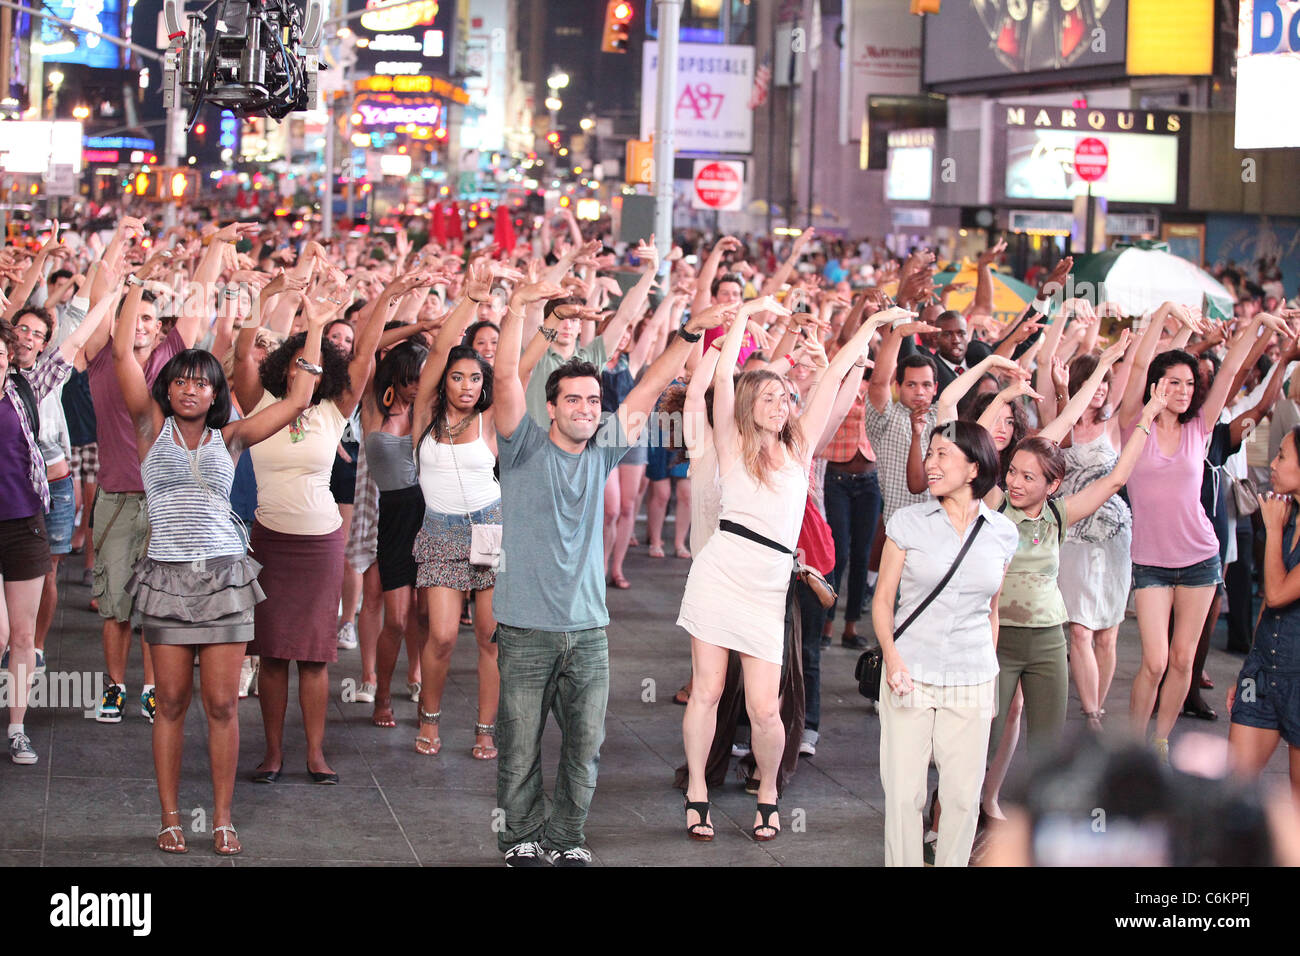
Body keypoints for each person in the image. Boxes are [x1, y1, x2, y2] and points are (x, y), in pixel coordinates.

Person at [490, 261, 725, 867]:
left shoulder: (601, 452)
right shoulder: (521, 447)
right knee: (518, 748)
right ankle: (519, 836)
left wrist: (690, 332)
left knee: (585, 747)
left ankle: (566, 839)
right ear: (551, 406)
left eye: (594, 400)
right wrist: (521, 310)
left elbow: (647, 389)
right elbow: (504, 382)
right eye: (574, 399)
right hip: (523, 629)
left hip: (589, 631)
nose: (587, 408)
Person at [113, 289, 327, 854]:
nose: (190, 388)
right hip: (167, 580)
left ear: (216, 393)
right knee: (173, 704)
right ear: (168, 386)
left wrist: (320, 323)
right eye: (181, 379)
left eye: (202, 381)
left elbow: (300, 398)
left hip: (224, 580)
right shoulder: (147, 427)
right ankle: (170, 816)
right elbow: (121, 357)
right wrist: (131, 285)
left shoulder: (230, 437)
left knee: (223, 706)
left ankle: (224, 817)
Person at [677, 299, 884, 843]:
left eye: (784, 395)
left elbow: (837, 370)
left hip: (768, 583)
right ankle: (697, 787)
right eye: (767, 395)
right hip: (720, 569)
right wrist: (745, 312)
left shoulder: (800, 449)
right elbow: (723, 376)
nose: (779, 401)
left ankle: (767, 789)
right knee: (708, 690)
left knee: (766, 709)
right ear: (749, 402)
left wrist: (869, 327)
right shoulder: (730, 441)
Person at [233, 270, 420, 784]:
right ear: (282, 366)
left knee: (314, 658)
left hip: (319, 545)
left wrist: (386, 296)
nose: (306, 372)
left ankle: (315, 753)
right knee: (272, 655)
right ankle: (273, 753)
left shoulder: (334, 410)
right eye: (298, 363)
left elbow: (362, 357)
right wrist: (265, 299)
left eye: (313, 365)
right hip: (268, 540)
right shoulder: (259, 402)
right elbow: (243, 350)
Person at [82, 221, 253, 724]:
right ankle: (114, 688)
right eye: (131, 318)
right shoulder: (101, 360)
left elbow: (199, 303)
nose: (138, 326)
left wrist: (217, 245)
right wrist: (130, 269)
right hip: (116, 498)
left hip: (169, 503)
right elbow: (101, 296)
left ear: (160, 330)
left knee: (157, 605)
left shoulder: (170, 360)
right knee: (114, 605)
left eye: (149, 321)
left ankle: (153, 688)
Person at [1119, 305, 1284, 757]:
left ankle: (1158, 743)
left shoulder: (1200, 426)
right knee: (1153, 662)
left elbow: (1230, 369)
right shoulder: (1136, 421)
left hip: (1199, 558)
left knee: (1183, 661)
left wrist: (1259, 326)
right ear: (1156, 384)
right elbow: (1136, 362)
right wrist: (1162, 316)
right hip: (1150, 561)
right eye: (1173, 381)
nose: (1183, 390)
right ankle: (1130, 753)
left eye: (1190, 384)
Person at [873, 421, 1018, 867]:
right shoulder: (907, 522)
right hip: (908, 674)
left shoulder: (1002, 532)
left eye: (942, 455)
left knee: (960, 798)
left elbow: (992, 612)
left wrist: (989, 675)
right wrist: (893, 660)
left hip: (972, 677)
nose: (930, 464)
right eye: (929, 453)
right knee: (904, 796)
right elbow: (882, 602)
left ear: (973, 467)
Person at [0, 291, 116, 764]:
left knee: (24, 637)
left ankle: (16, 729)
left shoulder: (26, 387)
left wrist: (111, 295)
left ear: (9, 359)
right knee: (2, 635)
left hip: (24, 522)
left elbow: (73, 344)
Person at [412, 258, 512, 759]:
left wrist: (540, 314)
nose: (468, 385)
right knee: (445, 636)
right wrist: (470, 299)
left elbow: (519, 365)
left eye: (476, 378)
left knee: (491, 638)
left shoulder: (490, 418)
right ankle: (429, 717)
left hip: (490, 529)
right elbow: (437, 350)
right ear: (445, 381)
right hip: (440, 532)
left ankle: (484, 728)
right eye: (458, 377)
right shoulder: (424, 417)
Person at [1229, 428, 1300, 801]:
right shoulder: (1285, 513)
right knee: (1233, 791)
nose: (1272, 464)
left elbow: (1274, 593)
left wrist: (1272, 529)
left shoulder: (1277, 519)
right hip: (1263, 671)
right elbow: (1267, 616)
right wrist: (1247, 671)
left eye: (1283, 457)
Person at [361, 341, 428, 728]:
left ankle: (423, 691)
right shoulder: (374, 405)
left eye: (424, 378)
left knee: (426, 616)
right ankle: (381, 694)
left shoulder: (431, 409)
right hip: (392, 515)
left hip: (430, 511)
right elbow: (370, 343)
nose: (419, 384)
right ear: (397, 374)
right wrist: (419, 326)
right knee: (397, 620)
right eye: (412, 378)